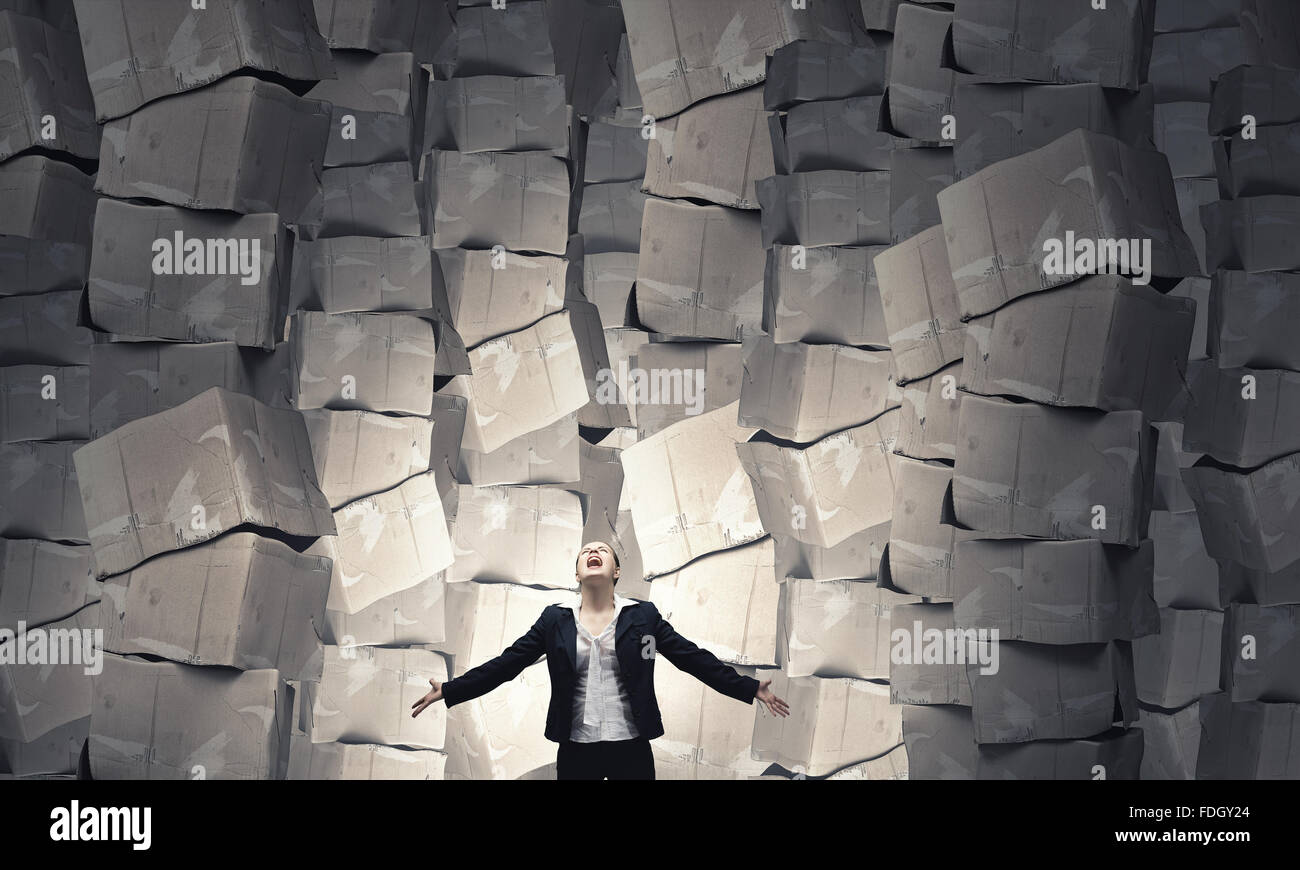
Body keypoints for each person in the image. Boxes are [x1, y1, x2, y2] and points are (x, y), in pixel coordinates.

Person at [412, 540, 790, 779]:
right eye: (585, 552)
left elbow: (692, 658)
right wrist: (449, 689)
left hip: (632, 747)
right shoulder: (553, 620)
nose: (594, 553)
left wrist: (750, 687)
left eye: (603, 551)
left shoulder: (644, 616)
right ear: (578, 573)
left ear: (616, 571)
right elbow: (506, 664)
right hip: (577, 749)